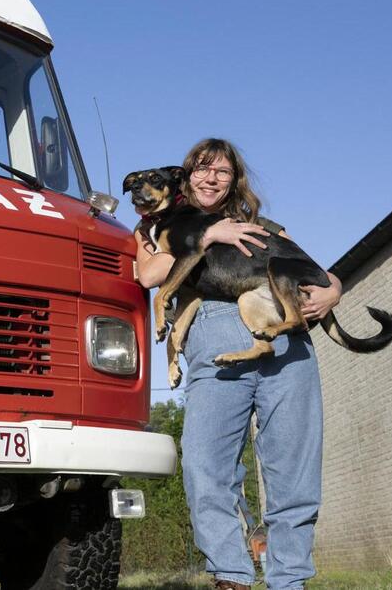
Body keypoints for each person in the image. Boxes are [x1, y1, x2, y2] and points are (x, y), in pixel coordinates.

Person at [134, 138, 341, 590]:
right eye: (202, 170)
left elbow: (306, 266)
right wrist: (211, 234)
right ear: (185, 179)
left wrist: (335, 288)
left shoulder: (259, 224)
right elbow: (149, 276)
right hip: (213, 333)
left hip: (285, 345)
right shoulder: (158, 226)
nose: (211, 178)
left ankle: (289, 580)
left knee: (293, 467)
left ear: (234, 180)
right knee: (206, 467)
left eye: (222, 171)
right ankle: (232, 575)